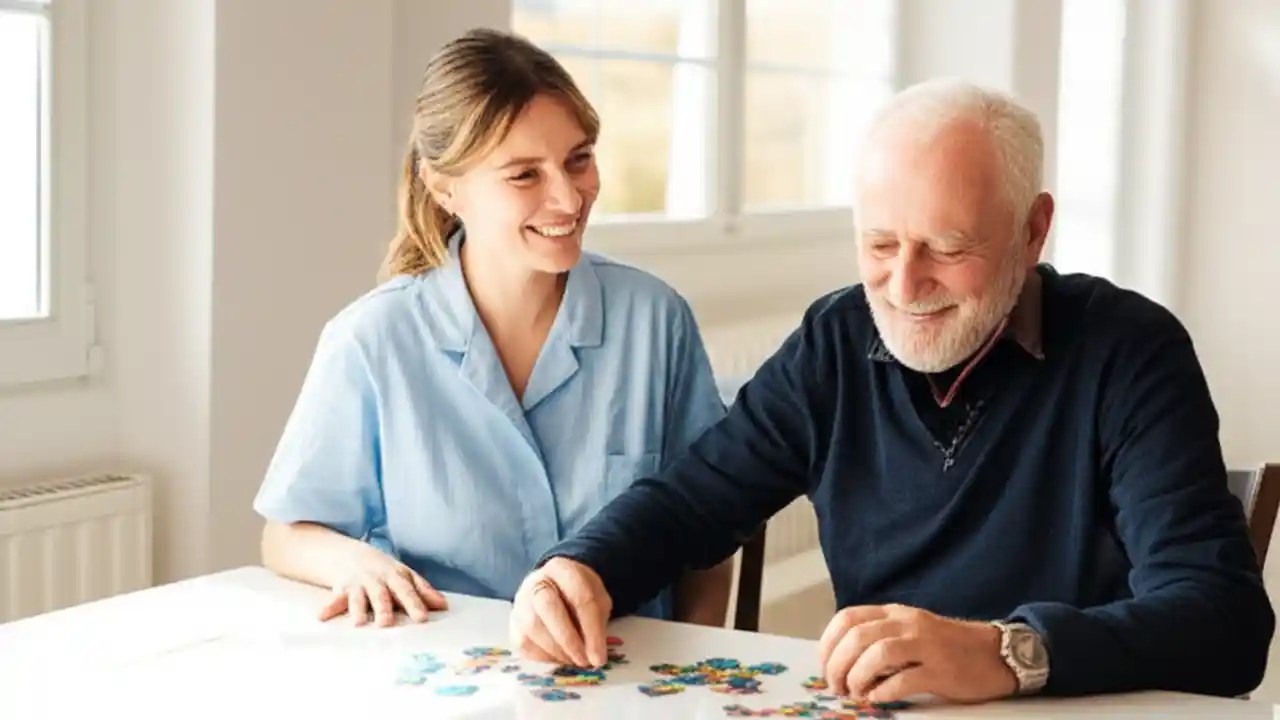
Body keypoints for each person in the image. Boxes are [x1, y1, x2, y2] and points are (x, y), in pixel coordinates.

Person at [508, 79, 1275, 702]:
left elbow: (1227, 625)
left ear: (1033, 230)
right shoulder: (836, 340)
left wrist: (1009, 652)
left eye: (948, 248)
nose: (905, 286)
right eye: (879, 244)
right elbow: (692, 501)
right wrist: (580, 569)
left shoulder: (1131, 351)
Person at [252, 28, 732, 646]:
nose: (568, 196)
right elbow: (287, 532)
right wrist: (354, 561)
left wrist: (694, 675)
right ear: (445, 186)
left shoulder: (655, 320)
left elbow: (710, 532)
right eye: (524, 174)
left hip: (629, 681)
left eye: (578, 159)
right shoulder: (373, 340)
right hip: (447, 677)